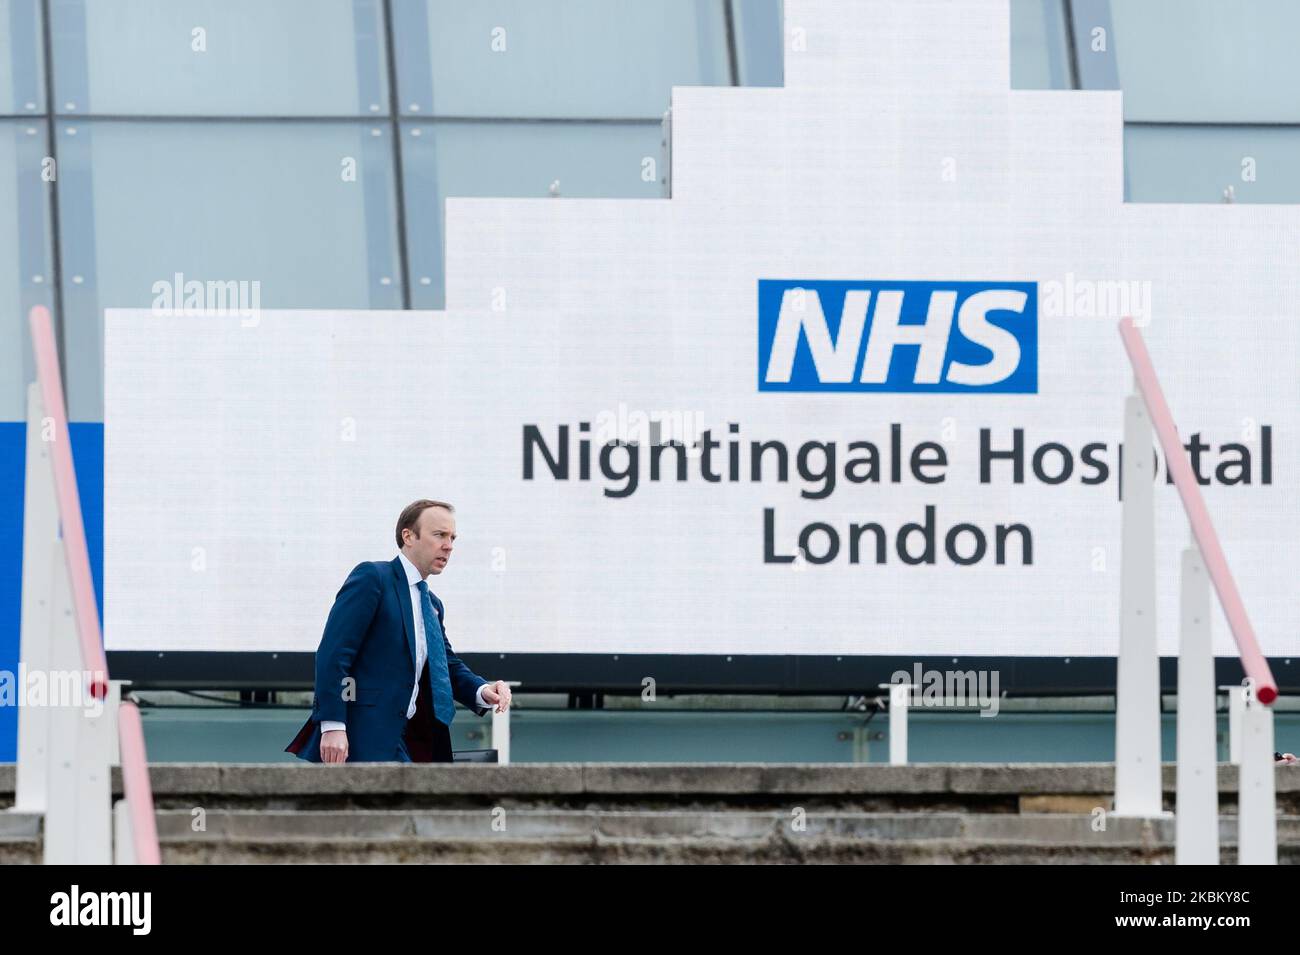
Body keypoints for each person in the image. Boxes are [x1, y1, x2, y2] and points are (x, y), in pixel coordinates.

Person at [286, 499, 511, 763]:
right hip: (366, 737)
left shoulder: (432, 604)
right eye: (439, 535)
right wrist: (333, 724)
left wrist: (483, 690)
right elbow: (333, 655)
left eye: (452, 538)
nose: (448, 546)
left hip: (415, 740)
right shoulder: (373, 578)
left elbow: (446, 666)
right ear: (408, 536)